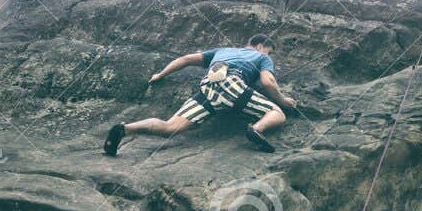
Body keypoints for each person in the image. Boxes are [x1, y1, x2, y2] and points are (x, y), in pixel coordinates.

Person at [103, 34, 297, 155]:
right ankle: (256, 130)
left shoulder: (223, 50)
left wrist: (161, 74)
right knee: (277, 112)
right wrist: (282, 100)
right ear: (260, 46)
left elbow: (186, 59)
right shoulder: (261, 57)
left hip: (208, 88)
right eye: (269, 52)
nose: (269, 56)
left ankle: (124, 129)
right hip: (232, 84)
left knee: (170, 127)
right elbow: (267, 82)